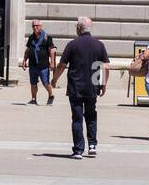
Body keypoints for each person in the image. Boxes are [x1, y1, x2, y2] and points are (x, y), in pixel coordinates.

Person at [53, 16, 109, 159]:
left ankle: (78, 150)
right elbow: (106, 67)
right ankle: (92, 145)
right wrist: (103, 84)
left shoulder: (72, 44)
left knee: (77, 118)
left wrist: (54, 79)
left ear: (78, 28)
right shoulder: (99, 44)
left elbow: (62, 65)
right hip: (92, 86)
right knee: (91, 116)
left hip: (75, 87)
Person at [21, 19, 57, 105]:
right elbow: (28, 50)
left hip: (43, 65)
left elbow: (51, 51)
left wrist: (52, 63)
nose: (35, 27)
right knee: (33, 83)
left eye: (37, 26)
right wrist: (24, 60)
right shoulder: (31, 37)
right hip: (32, 65)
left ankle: (51, 95)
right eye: (33, 26)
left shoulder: (47, 37)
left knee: (45, 82)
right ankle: (33, 99)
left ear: (41, 26)